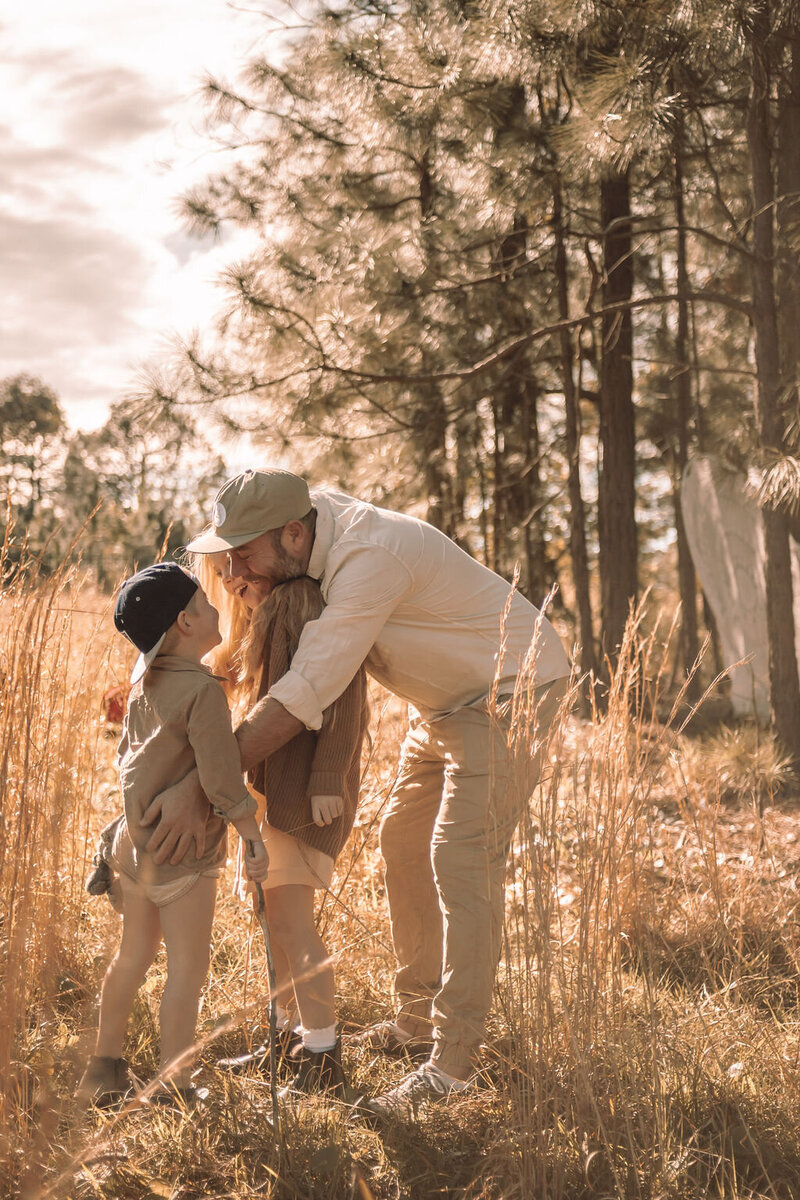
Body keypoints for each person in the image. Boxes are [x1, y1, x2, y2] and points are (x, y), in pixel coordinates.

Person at [142, 469, 570, 1119]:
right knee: (402, 844)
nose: (235, 568)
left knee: (461, 860)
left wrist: (202, 787)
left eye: (245, 553)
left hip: (512, 692)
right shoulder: (309, 530)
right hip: (445, 706)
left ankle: (452, 1069)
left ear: (292, 533)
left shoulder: (368, 560)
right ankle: (415, 1021)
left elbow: (304, 693)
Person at [78, 563, 268, 1108]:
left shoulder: (145, 685)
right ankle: (173, 1084)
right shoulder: (204, 693)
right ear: (187, 623)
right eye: (208, 605)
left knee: (132, 956)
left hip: (134, 850)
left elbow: (128, 759)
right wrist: (251, 835)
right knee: (188, 968)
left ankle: (104, 1066)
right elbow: (220, 776)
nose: (218, 611)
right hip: (183, 859)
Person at [198, 553, 369, 1097]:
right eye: (223, 571)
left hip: (301, 798)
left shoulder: (304, 603)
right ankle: (286, 1036)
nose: (231, 580)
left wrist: (327, 776)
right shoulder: (267, 613)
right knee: (273, 921)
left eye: (239, 564)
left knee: (294, 924)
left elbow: (346, 697)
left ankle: (322, 1054)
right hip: (268, 795)